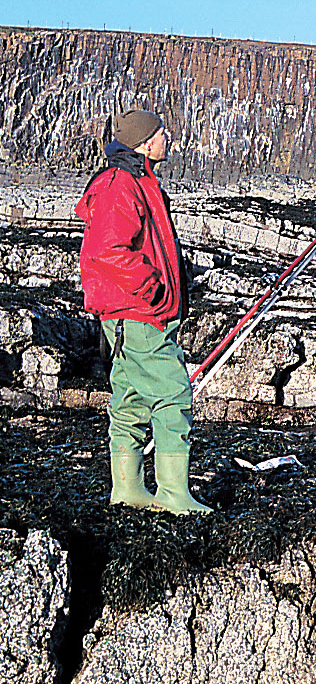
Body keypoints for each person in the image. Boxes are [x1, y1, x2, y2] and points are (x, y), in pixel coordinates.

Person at [75, 109, 211, 514]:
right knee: (173, 395)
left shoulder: (136, 179)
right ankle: (173, 495)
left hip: (132, 312)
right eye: (162, 132)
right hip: (138, 312)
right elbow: (107, 251)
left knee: (131, 399)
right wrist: (153, 286)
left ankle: (129, 489)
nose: (169, 137)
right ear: (146, 143)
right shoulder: (121, 185)